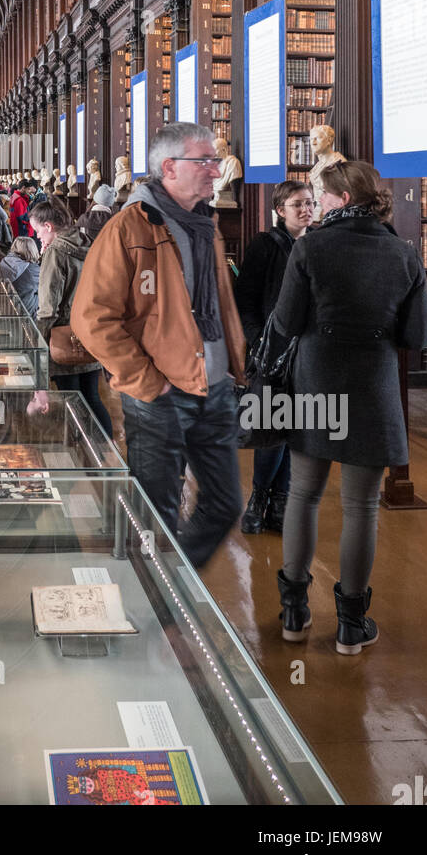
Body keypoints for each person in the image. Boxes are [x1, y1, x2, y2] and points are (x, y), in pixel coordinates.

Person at [272, 160, 427, 655]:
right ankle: (350, 625)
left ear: (342, 199)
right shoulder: (406, 255)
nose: (314, 203)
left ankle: (295, 614)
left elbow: (286, 322)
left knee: (304, 493)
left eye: (321, 194)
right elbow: (416, 336)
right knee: (362, 508)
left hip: (316, 382)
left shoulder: (310, 246)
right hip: (373, 387)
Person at [71, 122, 245, 568]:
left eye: (214, 161)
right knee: (155, 514)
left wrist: (230, 367)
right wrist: (147, 381)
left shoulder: (207, 224)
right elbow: (91, 317)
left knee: (225, 505)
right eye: (204, 161)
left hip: (215, 386)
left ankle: (173, 588)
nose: (215, 169)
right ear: (169, 167)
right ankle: (152, 614)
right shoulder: (129, 227)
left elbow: (218, 303)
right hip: (160, 393)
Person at [233, 181, 315, 534]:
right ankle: (259, 498)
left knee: (293, 429)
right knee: (270, 427)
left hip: (309, 353)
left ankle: (280, 500)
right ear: (280, 210)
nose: (306, 210)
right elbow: (245, 300)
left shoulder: (318, 245)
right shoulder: (265, 245)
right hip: (271, 352)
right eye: (298, 204)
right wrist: (256, 341)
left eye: (311, 203)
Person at [29, 197, 113, 435]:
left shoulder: (56, 253)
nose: (37, 237)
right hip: (92, 333)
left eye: (38, 231)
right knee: (93, 398)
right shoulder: (90, 242)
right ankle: (106, 451)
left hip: (64, 338)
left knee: (73, 403)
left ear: (49, 227)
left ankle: (84, 456)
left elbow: (47, 308)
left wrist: (40, 350)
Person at [0, 236, 40, 317]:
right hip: (24, 312)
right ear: (33, 250)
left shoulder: (4, 262)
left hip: (3, 307)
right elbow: (46, 286)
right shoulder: (32, 269)